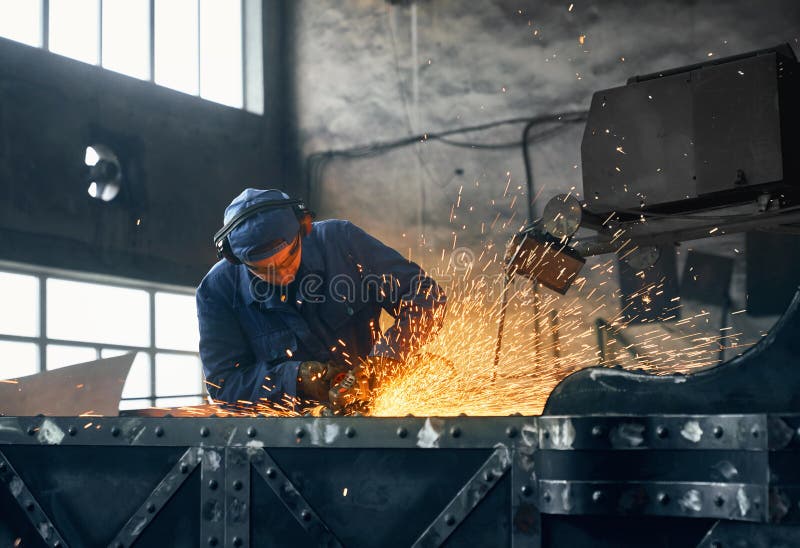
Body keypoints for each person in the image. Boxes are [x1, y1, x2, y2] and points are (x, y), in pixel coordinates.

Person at [196, 188, 446, 409]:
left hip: (378, 402)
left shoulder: (342, 243)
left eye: (287, 259)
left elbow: (425, 296)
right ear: (236, 259)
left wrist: (386, 358)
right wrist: (295, 379)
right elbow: (223, 385)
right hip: (293, 430)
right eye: (264, 270)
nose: (283, 275)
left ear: (303, 228)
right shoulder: (217, 291)